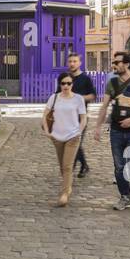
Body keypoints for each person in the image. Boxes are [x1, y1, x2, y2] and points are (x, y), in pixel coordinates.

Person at [97, 51, 130, 210]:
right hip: (116, 130)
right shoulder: (112, 83)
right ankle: (125, 196)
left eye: (117, 62)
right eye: (113, 62)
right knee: (119, 166)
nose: (114, 64)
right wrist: (98, 126)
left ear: (127, 64)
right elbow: (104, 106)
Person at [43, 74, 88, 207]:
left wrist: (78, 132)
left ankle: (64, 194)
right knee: (62, 166)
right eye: (63, 83)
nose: (66, 86)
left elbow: (83, 118)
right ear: (60, 84)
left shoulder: (78, 99)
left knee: (68, 166)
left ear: (72, 84)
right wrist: (47, 131)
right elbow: (45, 115)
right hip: (57, 137)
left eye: (68, 83)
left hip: (72, 136)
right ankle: (68, 187)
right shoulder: (54, 98)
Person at [58, 53, 97, 179]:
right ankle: (84, 165)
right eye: (70, 61)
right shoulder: (64, 78)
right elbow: (57, 95)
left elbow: (92, 95)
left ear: (80, 63)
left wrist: (77, 98)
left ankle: (70, 170)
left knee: (75, 143)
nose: (72, 63)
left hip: (80, 117)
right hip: (65, 117)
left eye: (75, 61)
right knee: (69, 143)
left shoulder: (85, 79)